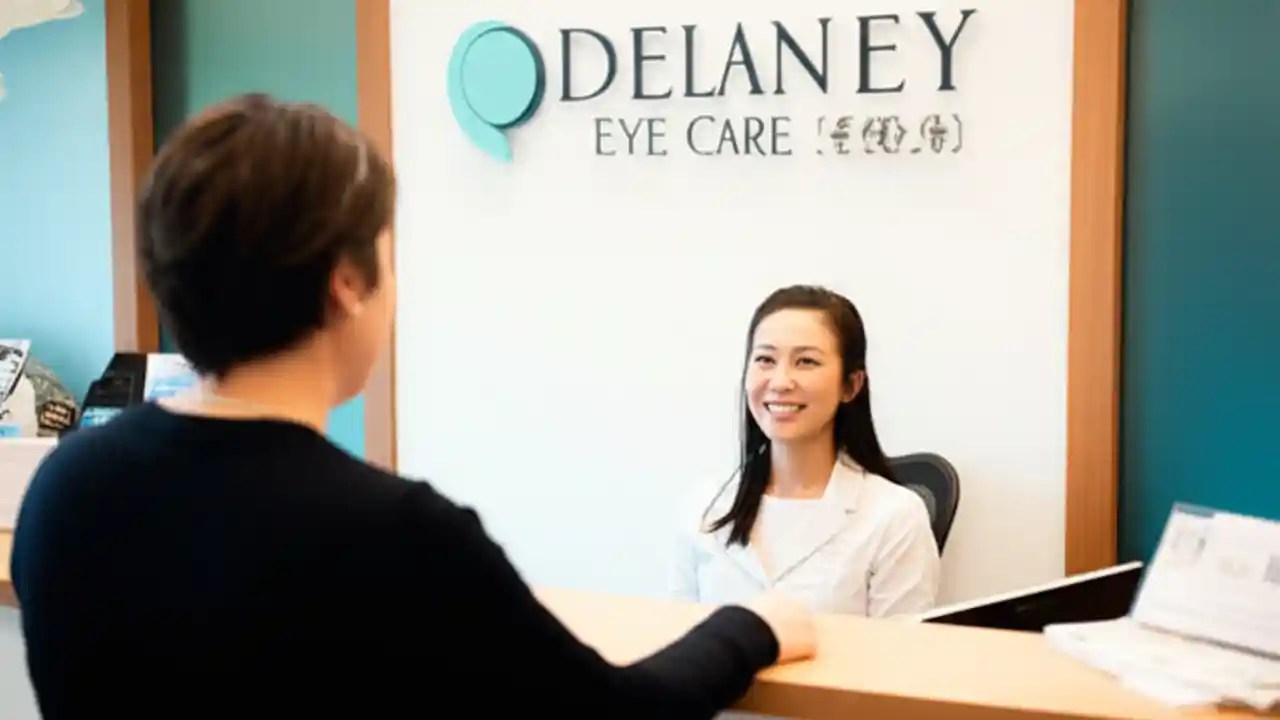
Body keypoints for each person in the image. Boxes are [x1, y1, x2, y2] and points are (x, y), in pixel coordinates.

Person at [9, 94, 815, 719]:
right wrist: (754, 627)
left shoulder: (66, 489)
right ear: (348, 283)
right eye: (390, 258)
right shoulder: (394, 537)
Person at [670, 285, 940, 617]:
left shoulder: (896, 516)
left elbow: (902, 659)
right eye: (765, 359)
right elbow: (679, 638)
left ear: (850, 385)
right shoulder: (705, 504)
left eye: (806, 361)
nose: (781, 381)